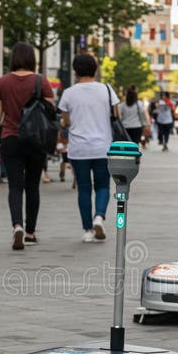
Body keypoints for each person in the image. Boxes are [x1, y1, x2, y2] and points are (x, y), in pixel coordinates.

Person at [0, 42, 54, 250]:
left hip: (10, 138)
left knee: (15, 186)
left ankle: (17, 224)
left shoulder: (1, 83)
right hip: (35, 140)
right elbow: (51, 110)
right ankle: (30, 233)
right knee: (33, 185)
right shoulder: (40, 81)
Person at [57, 53, 118, 243]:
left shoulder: (69, 93)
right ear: (95, 69)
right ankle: (99, 216)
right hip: (103, 147)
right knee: (102, 185)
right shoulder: (107, 90)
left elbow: (66, 121)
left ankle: (88, 230)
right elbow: (116, 115)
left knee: (83, 188)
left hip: (79, 148)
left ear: (75, 71)